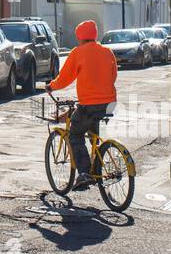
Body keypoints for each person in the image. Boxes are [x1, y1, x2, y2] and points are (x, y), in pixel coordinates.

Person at [46, 20, 118, 187]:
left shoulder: (78, 52)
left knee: (75, 135)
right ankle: (96, 161)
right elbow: (113, 75)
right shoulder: (107, 52)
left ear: (80, 37)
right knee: (92, 127)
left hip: (90, 104)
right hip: (109, 102)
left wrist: (51, 86)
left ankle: (85, 173)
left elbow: (65, 78)